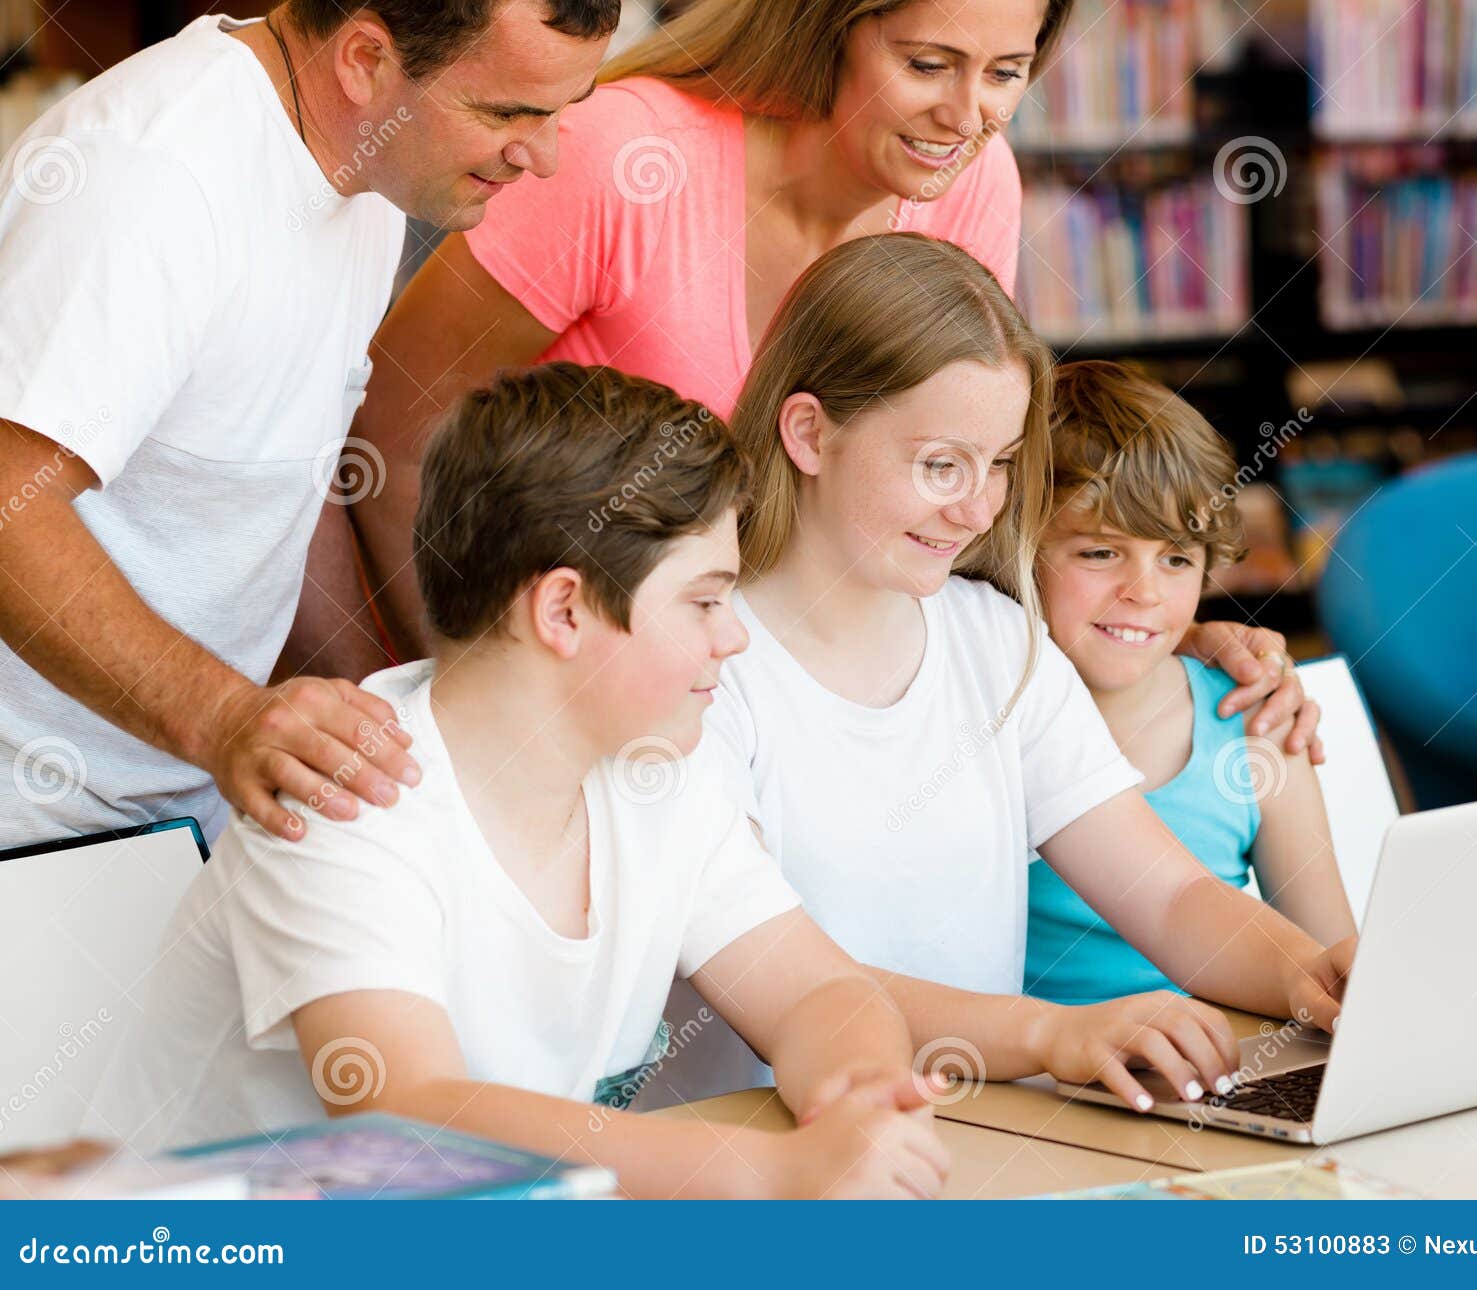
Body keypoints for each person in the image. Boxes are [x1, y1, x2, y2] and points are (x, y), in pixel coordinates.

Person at [83, 365, 950, 1201]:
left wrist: (863, 1102)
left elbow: (818, 992)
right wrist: (767, 1174)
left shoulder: (661, 771)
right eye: (704, 602)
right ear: (564, 610)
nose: (735, 638)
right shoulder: (348, 792)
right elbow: (410, 1120)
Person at [341, 0, 1324, 724]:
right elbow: (389, 437)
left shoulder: (971, 182)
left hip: (780, 684)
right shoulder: (623, 159)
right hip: (569, 664)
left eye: (1005, 72)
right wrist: (467, 703)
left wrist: (1151, 647)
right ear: (827, 29)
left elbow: (959, 485)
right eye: (929, 63)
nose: (967, 115)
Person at [661, 233, 1354, 1111]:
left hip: (979, 1140)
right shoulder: (701, 670)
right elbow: (786, 975)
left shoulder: (998, 642)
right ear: (808, 433)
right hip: (779, 1164)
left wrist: (1317, 975)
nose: (980, 506)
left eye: (998, 464)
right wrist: (1049, 1034)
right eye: (940, 464)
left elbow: (1172, 895)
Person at [0, 0, 617, 850]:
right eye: (508, 113)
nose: (541, 157)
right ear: (364, 60)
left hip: (181, 808)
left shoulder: (372, 171)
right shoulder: (149, 175)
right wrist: (222, 716)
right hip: (32, 820)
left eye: (558, 114)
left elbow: (283, 480)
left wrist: (383, 724)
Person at [1026, 361, 1357, 1008]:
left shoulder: (1252, 720)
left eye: (1176, 559)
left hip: (1231, 1066)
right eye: (1099, 552)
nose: (1144, 592)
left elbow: (1334, 962)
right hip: (1037, 1079)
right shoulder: (978, 720)